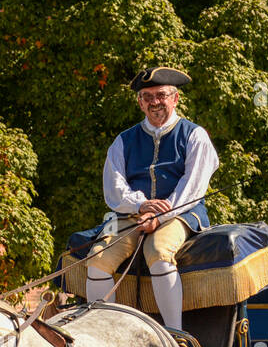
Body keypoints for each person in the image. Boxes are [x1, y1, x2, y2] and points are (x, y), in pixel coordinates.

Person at [87, 65, 219, 330]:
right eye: (148, 97)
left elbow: (192, 186)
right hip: (129, 213)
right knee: (96, 259)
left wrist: (160, 214)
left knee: (158, 251)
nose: (155, 102)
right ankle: (102, 332)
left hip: (181, 213)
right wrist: (139, 205)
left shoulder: (195, 135)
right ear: (140, 103)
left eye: (161, 95)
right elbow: (113, 188)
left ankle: (175, 333)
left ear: (175, 98)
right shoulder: (123, 140)